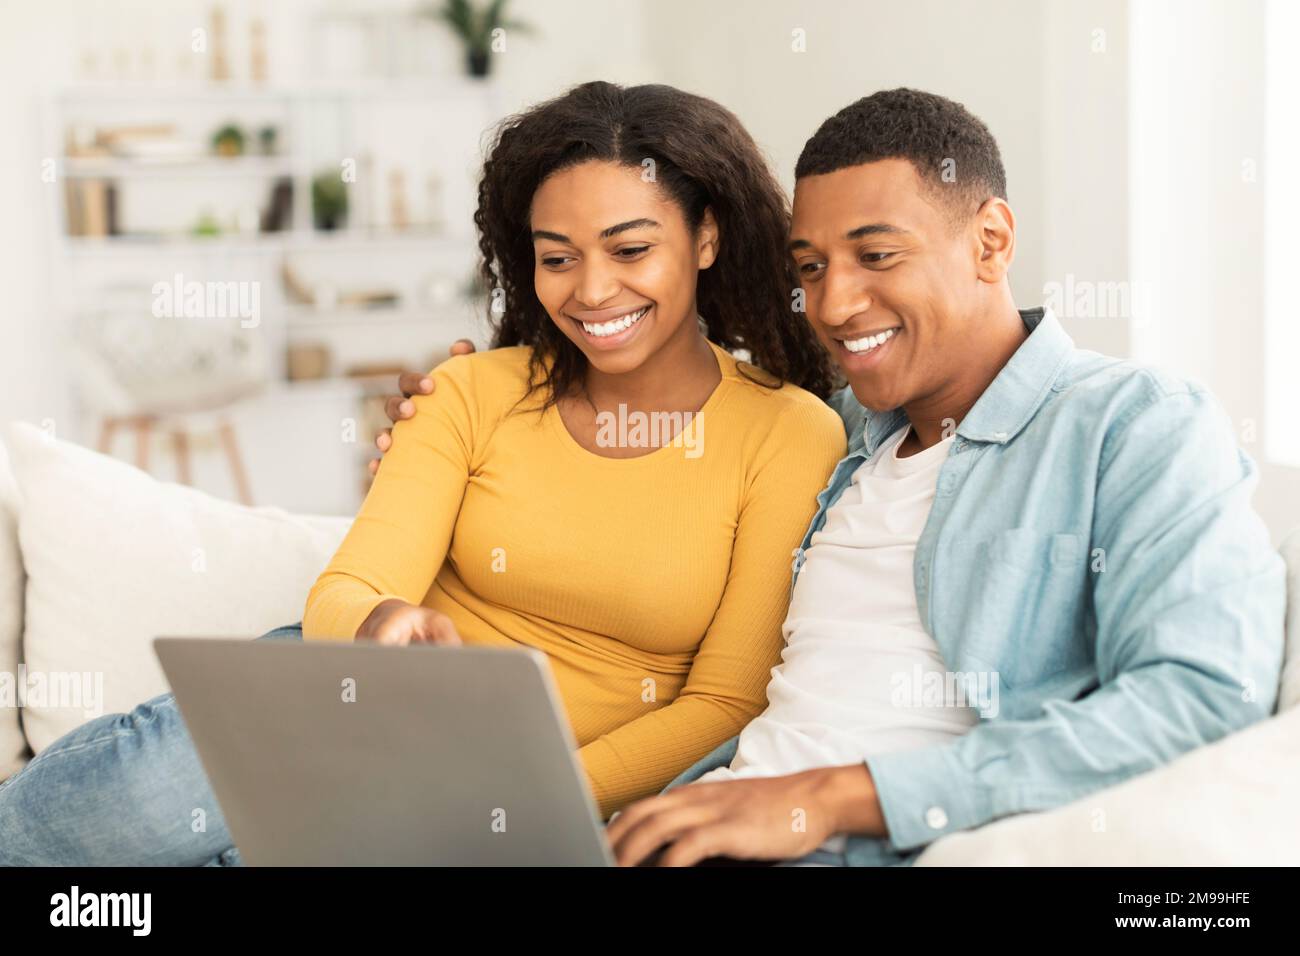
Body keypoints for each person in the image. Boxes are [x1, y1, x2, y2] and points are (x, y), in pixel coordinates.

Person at [396, 89, 1286, 868]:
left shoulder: (1134, 425)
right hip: (691, 823)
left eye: (877, 256)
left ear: (991, 240)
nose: (833, 304)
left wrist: (830, 798)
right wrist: (462, 407)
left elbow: (1202, 696)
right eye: (810, 268)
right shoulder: (831, 429)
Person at [0, 82, 844, 866]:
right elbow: (350, 587)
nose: (592, 289)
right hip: (355, 706)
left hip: (539, 788)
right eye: (557, 258)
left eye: (630, 248)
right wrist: (379, 622)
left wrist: (520, 800)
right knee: (146, 802)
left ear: (706, 237)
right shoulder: (471, 391)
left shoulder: (788, 432)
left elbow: (726, 702)